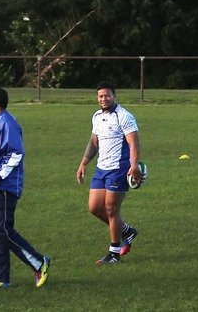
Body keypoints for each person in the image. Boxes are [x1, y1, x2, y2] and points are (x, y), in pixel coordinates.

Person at [0, 87, 49, 289]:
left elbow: (16, 154)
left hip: (5, 186)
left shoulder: (7, 123)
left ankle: (38, 262)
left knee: (1, 229)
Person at [75, 82, 141, 265]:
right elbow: (94, 142)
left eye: (107, 95)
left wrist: (134, 166)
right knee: (94, 208)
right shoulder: (96, 116)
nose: (103, 99)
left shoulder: (124, 116)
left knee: (111, 209)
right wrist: (83, 163)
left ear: (114, 96)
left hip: (119, 168)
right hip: (101, 168)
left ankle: (114, 253)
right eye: (100, 96)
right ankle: (127, 231)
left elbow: (134, 144)